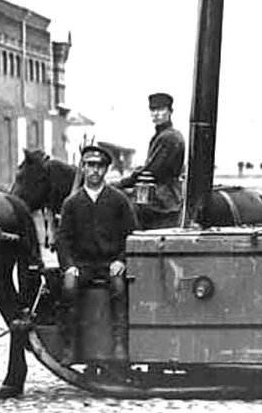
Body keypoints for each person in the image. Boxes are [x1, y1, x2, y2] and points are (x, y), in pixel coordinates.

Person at [56, 145, 140, 360]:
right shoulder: (72, 203)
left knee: (119, 287)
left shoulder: (118, 200)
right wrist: (69, 266)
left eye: (100, 166)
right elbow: (63, 239)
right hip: (82, 265)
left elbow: (132, 235)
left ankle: (120, 345)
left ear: (106, 170)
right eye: (90, 165)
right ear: (83, 168)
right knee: (68, 287)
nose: (95, 171)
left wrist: (121, 260)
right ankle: (70, 346)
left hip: (109, 264)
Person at [115, 92, 185, 229]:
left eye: (161, 109)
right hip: (158, 193)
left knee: (121, 207)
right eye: (153, 110)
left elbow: (152, 171)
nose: (156, 114)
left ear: (170, 112)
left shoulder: (170, 137)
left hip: (164, 197)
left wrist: (121, 183)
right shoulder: (161, 136)